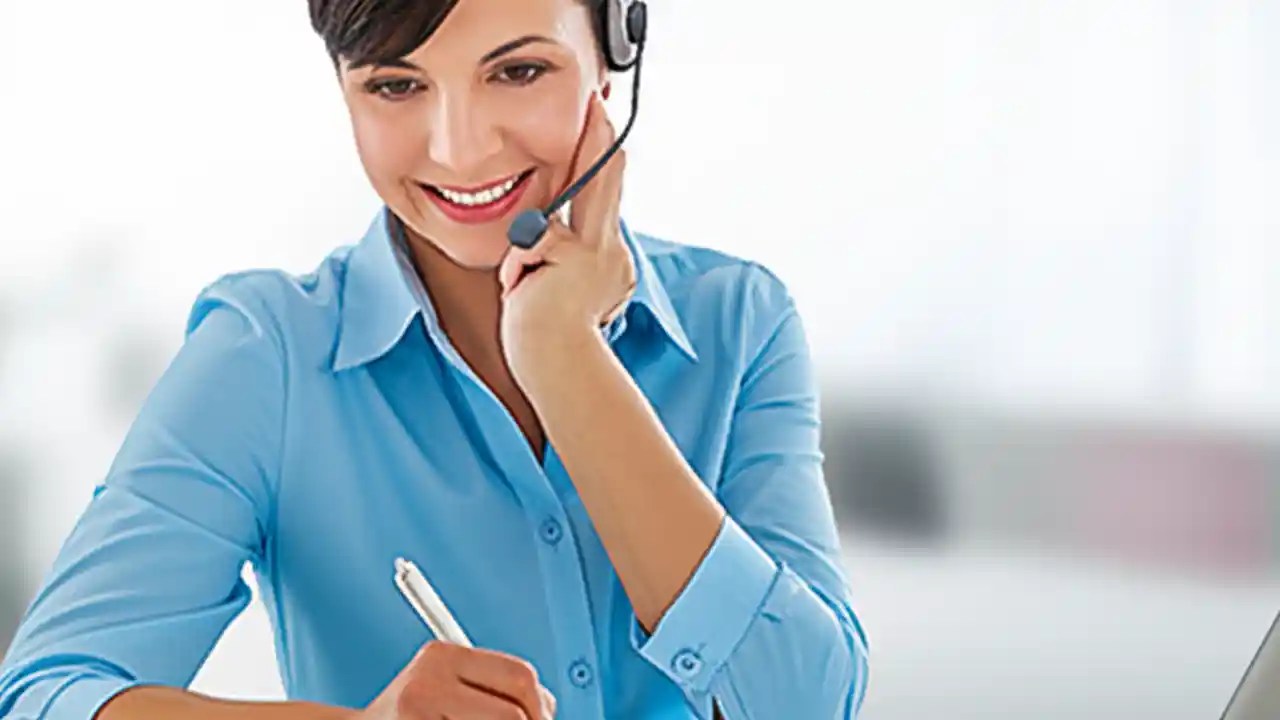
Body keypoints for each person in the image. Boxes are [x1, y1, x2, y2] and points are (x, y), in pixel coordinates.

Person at [0, 0, 870, 718]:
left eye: (517, 71)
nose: (459, 149)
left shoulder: (737, 322)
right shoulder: (267, 355)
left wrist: (566, 360)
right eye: (395, 84)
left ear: (614, 53)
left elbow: (805, 704)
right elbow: (49, 694)